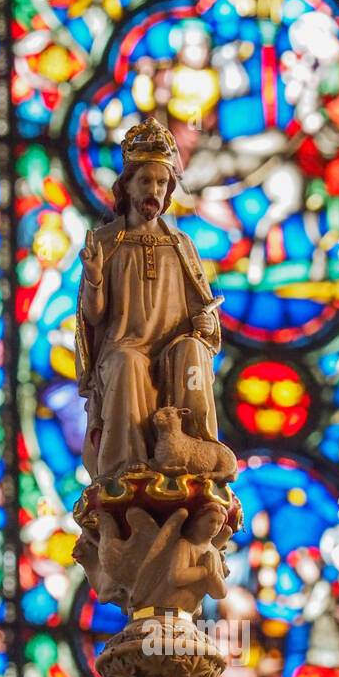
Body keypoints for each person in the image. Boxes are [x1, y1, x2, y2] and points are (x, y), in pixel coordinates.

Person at [75, 118, 222, 479]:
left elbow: (201, 313)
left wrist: (205, 325)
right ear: (126, 186)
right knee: (127, 365)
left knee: (192, 352)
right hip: (123, 348)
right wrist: (94, 277)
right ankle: (126, 472)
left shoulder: (181, 245)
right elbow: (93, 319)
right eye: (145, 181)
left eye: (161, 182)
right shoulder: (106, 242)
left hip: (171, 351)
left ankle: (194, 456)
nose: (153, 190)